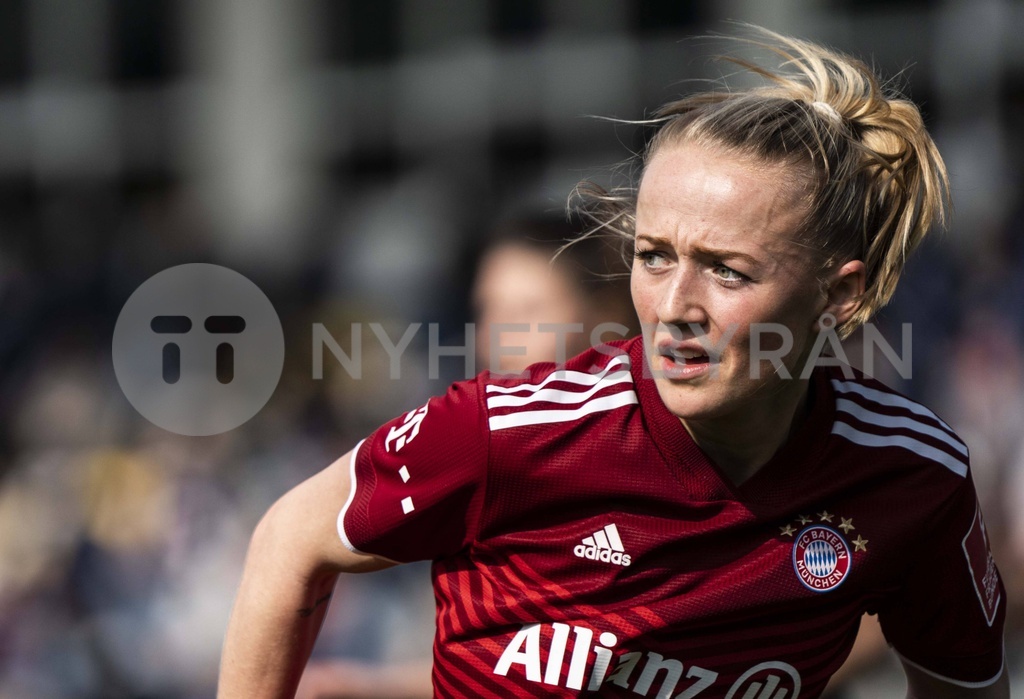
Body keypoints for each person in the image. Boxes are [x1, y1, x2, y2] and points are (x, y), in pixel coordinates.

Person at [218, 27, 1008, 698]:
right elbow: (291, 539)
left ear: (839, 296)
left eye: (727, 269)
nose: (675, 305)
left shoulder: (910, 477)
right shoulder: (503, 434)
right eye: (654, 257)